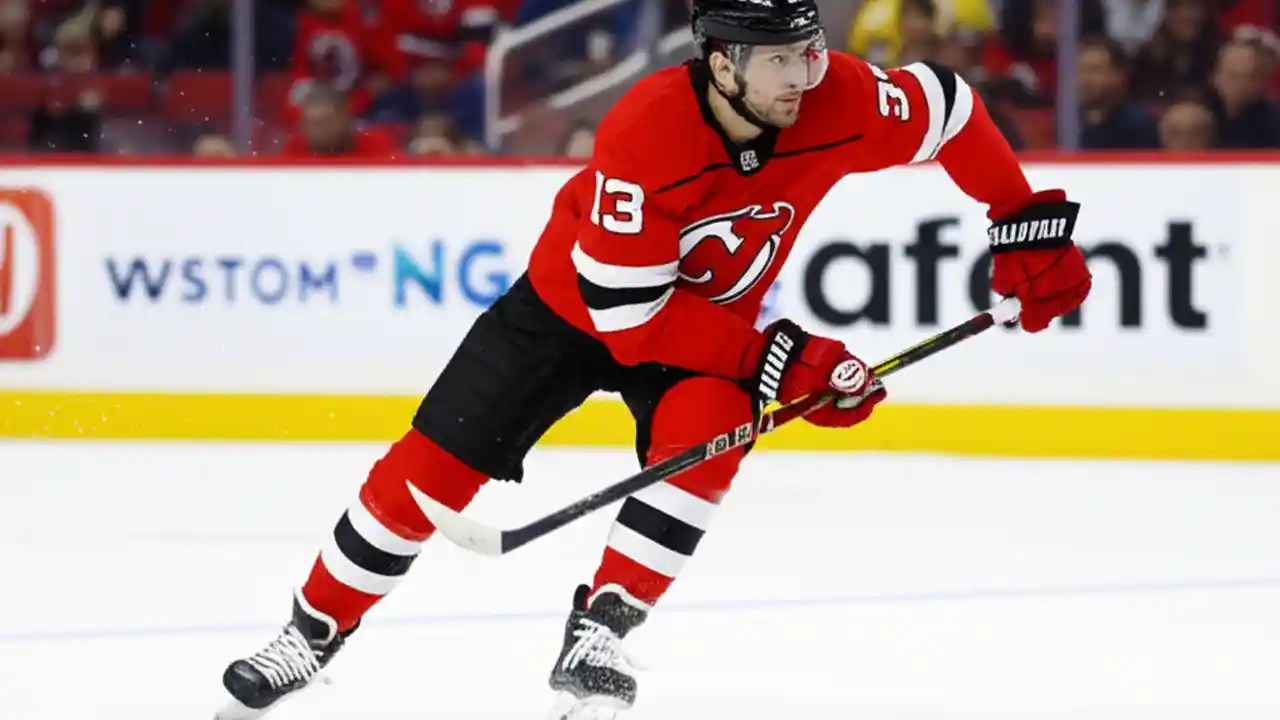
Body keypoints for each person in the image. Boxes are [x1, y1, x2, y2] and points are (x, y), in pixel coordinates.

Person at [214, 1, 1092, 718]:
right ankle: (313, 631)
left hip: (699, 330)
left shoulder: (842, 98)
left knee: (710, 434)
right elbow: (629, 321)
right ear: (721, 63)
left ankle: (603, 626)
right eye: (780, 59)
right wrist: (781, 357)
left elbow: (949, 109)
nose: (804, 75)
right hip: (569, 316)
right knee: (425, 476)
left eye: (811, 51)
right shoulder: (647, 132)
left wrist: (1021, 220)